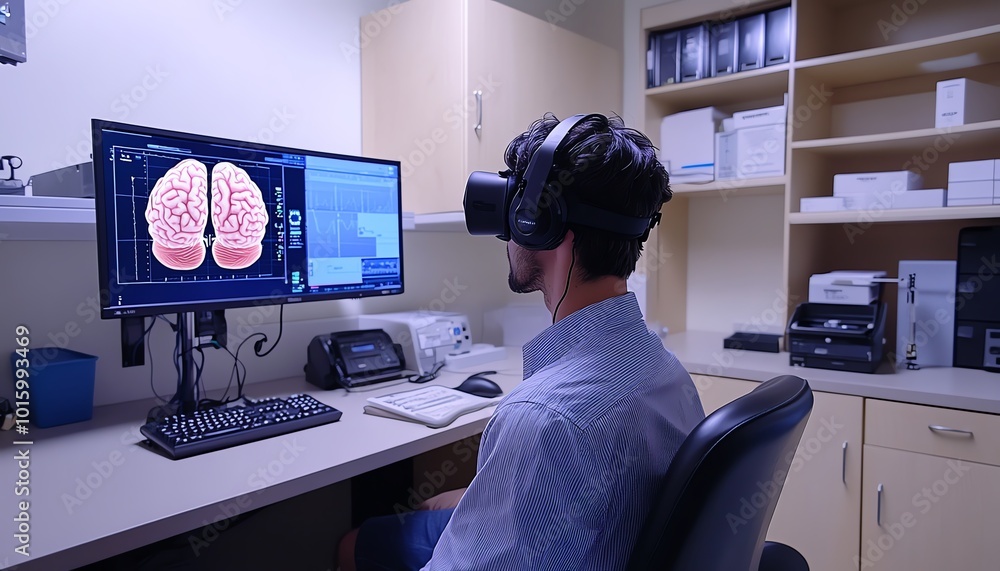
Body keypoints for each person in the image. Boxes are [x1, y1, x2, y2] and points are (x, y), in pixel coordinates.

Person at [339, 113, 705, 571]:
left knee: (357, 544)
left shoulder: (545, 418)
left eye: (516, 205)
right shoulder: (664, 370)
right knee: (440, 505)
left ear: (536, 221)